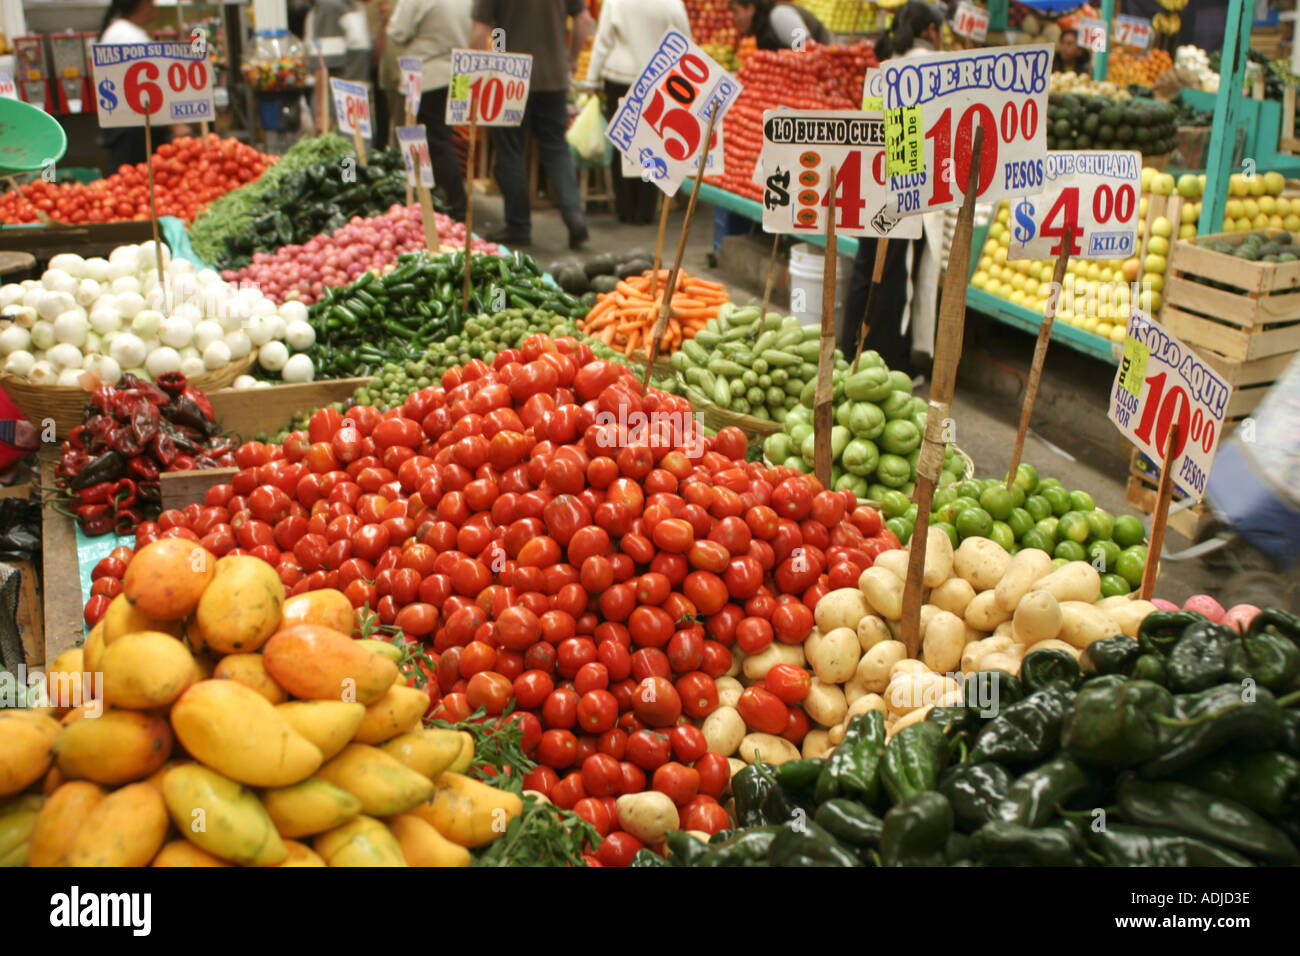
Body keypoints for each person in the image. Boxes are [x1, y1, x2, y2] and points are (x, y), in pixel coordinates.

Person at [839, 0, 946, 376]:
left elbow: (872, 122)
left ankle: (849, 349)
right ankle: (886, 360)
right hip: (910, 183)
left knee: (867, 266)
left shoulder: (886, 68)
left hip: (874, 180)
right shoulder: (936, 68)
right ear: (931, 31)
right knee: (896, 273)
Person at [472, 0, 593, 249]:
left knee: (510, 149)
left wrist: (480, 70)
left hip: (510, 75)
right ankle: (574, 215)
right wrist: (571, 58)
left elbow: (480, 31)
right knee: (555, 147)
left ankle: (518, 225)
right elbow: (583, 20)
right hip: (554, 76)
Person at [585, 0, 691, 225]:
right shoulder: (672, 3)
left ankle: (624, 207)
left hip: (620, 77)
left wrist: (591, 79)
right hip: (657, 78)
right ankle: (645, 209)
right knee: (652, 143)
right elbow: (685, 40)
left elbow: (603, 42)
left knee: (623, 141)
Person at [388, 0, 473, 221]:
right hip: (461, 76)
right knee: (446, 137)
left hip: (428, 75)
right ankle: (443, 201)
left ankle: (453, 204)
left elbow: (397, 31)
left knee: (432, 141)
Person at [98, 0, 187, 170]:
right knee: (135, 179)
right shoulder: (127, 36)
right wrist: (176, 124)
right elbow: (149, 85)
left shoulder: (121, 31)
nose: (155, 8)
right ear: (144, 4)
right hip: (134, 128)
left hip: (130, 125)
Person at [729, 0, 832, 51]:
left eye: (736, 12)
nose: (735, 18)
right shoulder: (761, 27)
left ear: (750, 9)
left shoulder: (780, 15)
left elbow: (807, 49)